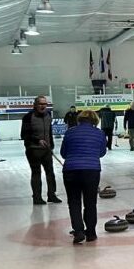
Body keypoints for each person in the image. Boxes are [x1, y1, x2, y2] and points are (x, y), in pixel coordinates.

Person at [59, 110, 107, 244]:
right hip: (91, 170)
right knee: (90, 203)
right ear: (95, 120)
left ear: (79, 119)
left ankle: (78, 231)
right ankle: (91, 232)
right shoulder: (99, 133)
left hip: (71, 170)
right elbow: (102, 152)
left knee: (74, 202)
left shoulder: (70, 132)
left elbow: (63, 153)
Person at [20, 95, 61, 204]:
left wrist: (51, 145)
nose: (43, 106)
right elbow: (24, 134)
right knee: (36, 173)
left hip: (46, 150)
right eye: (40, 104)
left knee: (50, 173)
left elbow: (49, 132)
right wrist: (37, 140)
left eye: (45, 104)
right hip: (33, 150)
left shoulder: (48, 115)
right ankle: (37, 197)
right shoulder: (28, 117)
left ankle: (52, 195)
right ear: (35, 105)